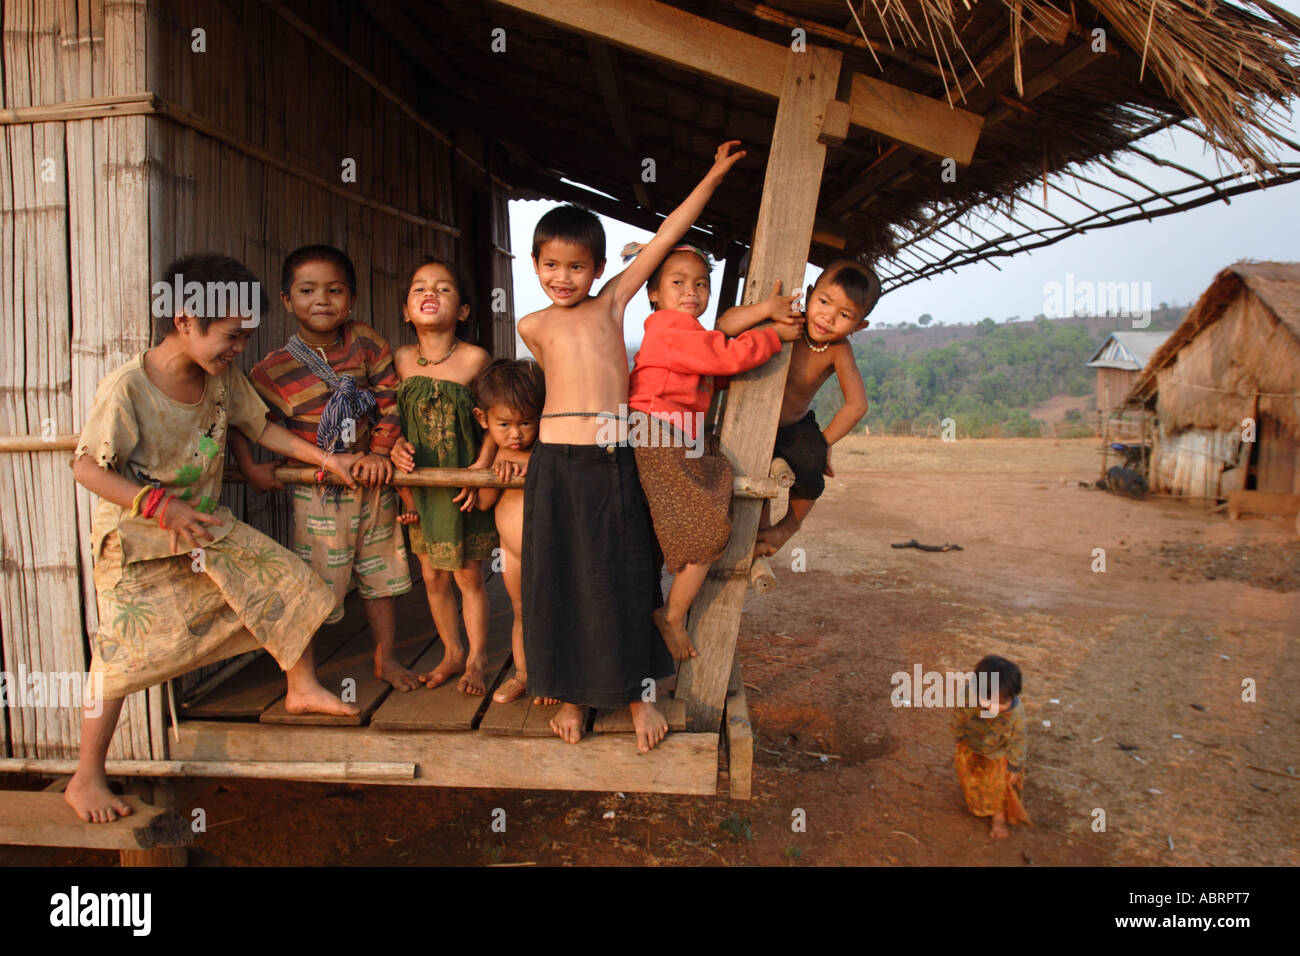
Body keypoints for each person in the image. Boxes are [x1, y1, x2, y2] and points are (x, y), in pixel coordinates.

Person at [67, 252, 360, 823]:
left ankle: (300, 686)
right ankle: (85, 777)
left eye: (245, 337)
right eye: (230, 335)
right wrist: (158, 504)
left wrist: (328, 457)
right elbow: (86, 468)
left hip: (203, 526)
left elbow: (263, 427)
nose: (238, 349)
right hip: (139, 543)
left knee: (290, 580)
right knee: (121, 661)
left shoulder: (221, 379)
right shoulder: (129, 388)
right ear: (184, 320)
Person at [517, 140, 746, 752]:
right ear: (534, 264)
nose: (563, 278)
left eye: (577, 267)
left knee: (627, 574)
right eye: (551, 265)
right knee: (560, 576)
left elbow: (669, 234)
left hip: (614, 460)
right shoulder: (531, 326)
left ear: (598, 270)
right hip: (554, 466)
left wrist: (714, 174)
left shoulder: (613, 302)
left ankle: (640, 694)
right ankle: (571, 692)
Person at [232, 244, 417, 692]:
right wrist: (250, 467)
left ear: (350, 298)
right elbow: (241, 420)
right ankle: (307, 678)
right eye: (308, 290)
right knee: (315, 587)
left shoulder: (367, 342)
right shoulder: (271, 370)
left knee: (382, 576)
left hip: (374, 483)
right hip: (318, 491)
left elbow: (391, 397)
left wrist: (379, 451)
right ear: (286, 300)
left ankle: (385, 658)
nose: (322, 300)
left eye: (334, 290)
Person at [625, 243, 802, 659]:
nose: (692, 291)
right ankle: (672, 614)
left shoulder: (687, 334)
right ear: (653, 293)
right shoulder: (668, 327)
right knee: (708, 532)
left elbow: (710, 371)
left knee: (705, 521)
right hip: (657, 431)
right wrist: (771, 336)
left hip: (672, 435)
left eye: (701, 284)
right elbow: (724, 357)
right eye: (678, 283)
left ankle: (672, 610)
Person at [388, 258, 499, 695]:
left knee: (468, 574)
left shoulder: (475, 358)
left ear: (465, 311)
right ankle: (452, 652)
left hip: (462, 487)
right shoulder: (398, 360)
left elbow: (494, 418)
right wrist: (393, 444)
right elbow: (385, 418)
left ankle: (477, 658)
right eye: (419, 288)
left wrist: (481, 468)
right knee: (432, 574)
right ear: (405, 309)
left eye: (444, 289)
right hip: (417, 489)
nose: (430, 293)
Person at [717, 260, 878, 557]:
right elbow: (724, 326)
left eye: (844, 315)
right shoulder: (786, 320)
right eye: (824, 302)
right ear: (810, 292)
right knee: (746, 475)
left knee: (812, 467)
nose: (828, 317)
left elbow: (857, 405)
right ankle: (755, 534)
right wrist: (767, 310)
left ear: (859, 326)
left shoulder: (839, 349)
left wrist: (824, 442)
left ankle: (786, 528)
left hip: (795, 427)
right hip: (751, 422)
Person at [469, 359, 556, 705]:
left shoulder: (546, 450)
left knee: (553, 610)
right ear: (483, 419)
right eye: (504, 424)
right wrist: (495, 471)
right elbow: (485, 503)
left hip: (550, 548)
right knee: (521, 611)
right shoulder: (499, 452)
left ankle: (553, 678)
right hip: (510, 551)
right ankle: (523, 675)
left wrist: (526, 465)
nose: (516, 434)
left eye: (526, 423)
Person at [950, 655, 1031, 838]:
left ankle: (998, 817)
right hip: (971, 748)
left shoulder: (1015, 714)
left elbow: (1019, 739)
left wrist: (1014, 765)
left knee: (999, 787)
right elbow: (959, 717)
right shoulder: (968, 696)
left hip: (999, 755)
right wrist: (958, 736)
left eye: (1004, 703)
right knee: (973, 780)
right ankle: (979, 804)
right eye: (991, 703)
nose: (998, 708)